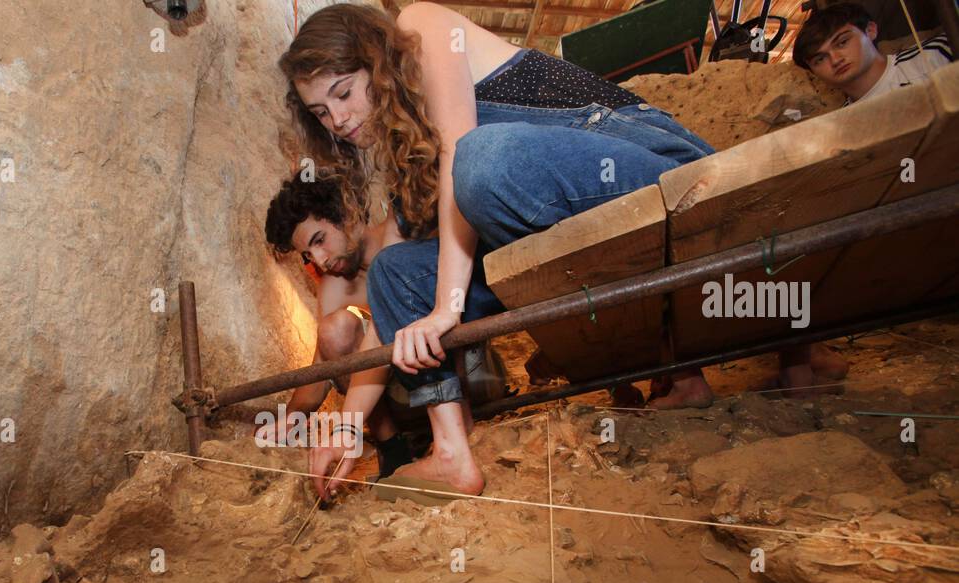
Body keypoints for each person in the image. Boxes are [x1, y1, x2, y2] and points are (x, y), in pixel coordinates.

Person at [279, 2, 716, 502]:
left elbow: (461, 154)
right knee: (395, 271)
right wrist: (349, 425)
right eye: (321, 112)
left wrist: (447, 308)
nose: (338, 119)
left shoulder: (419, 25)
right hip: (560, 227)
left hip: (650, 167)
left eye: (344, 92)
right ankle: (450, 453)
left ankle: (674, 366)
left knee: (482, 161)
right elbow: (386, 309)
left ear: (376, 61)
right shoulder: (411, 155)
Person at [261, 175, 414, 480]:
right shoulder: (334, 287)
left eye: (319, 241)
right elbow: (323, 368)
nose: (319, 260)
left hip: (457, 374)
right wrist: (288, 417)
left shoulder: (400, 233)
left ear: (346, 213)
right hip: (397, 396)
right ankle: (394, 447)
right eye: (307, 255)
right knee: (335, 329)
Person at [793, 2, 951, 104]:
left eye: (842, 43)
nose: (835, 60)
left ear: (870, 30)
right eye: (820, 59)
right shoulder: (843, 127)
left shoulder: (938, 53)